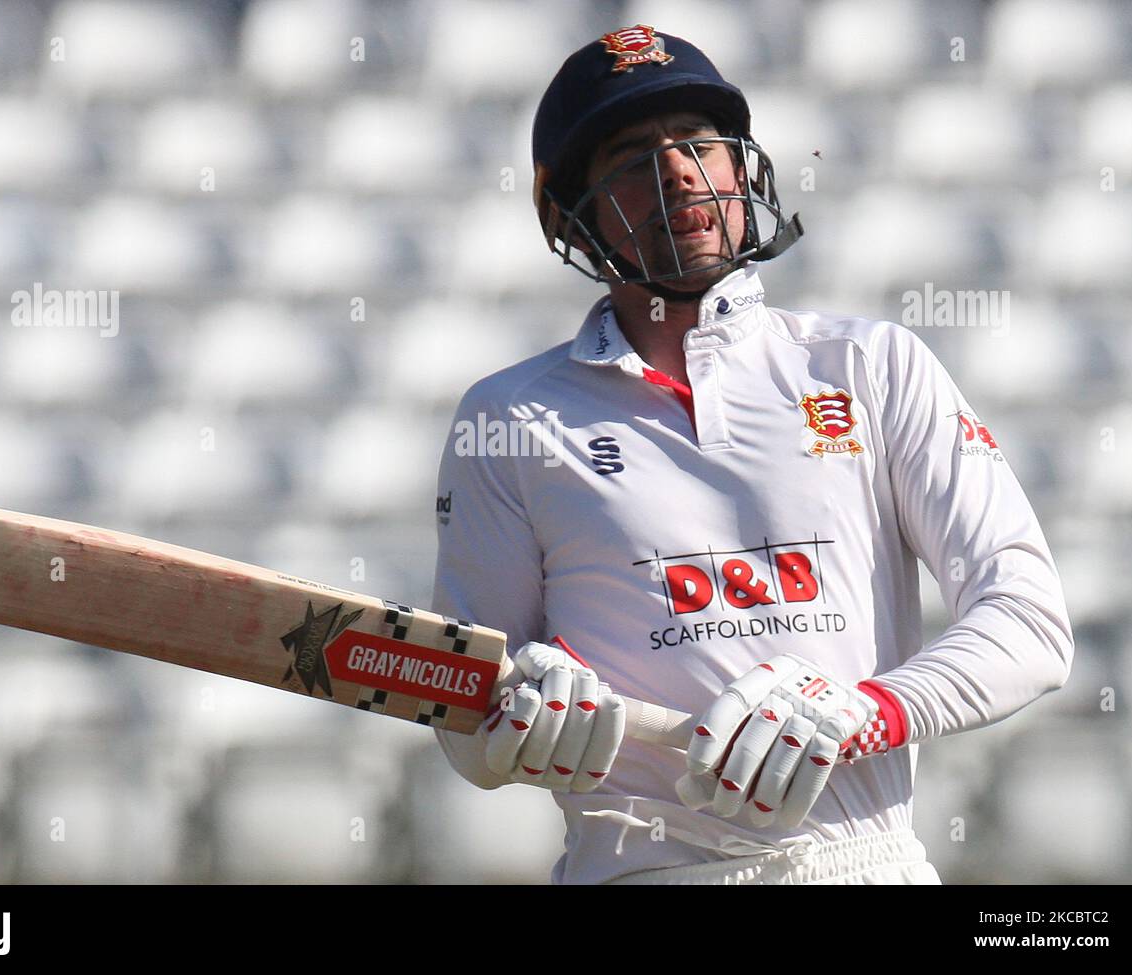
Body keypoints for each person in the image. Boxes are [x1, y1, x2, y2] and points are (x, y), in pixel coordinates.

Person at [429, 25, 1073, 885]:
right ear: (567, 216)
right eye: (629, 156)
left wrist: (865, 709)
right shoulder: (511, 418)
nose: (675, 170)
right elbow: (466, 724)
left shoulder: (869, 366)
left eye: (699, 143)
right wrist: (524, 713)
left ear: (742, 169)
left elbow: (1030, 620)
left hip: (859, 867)